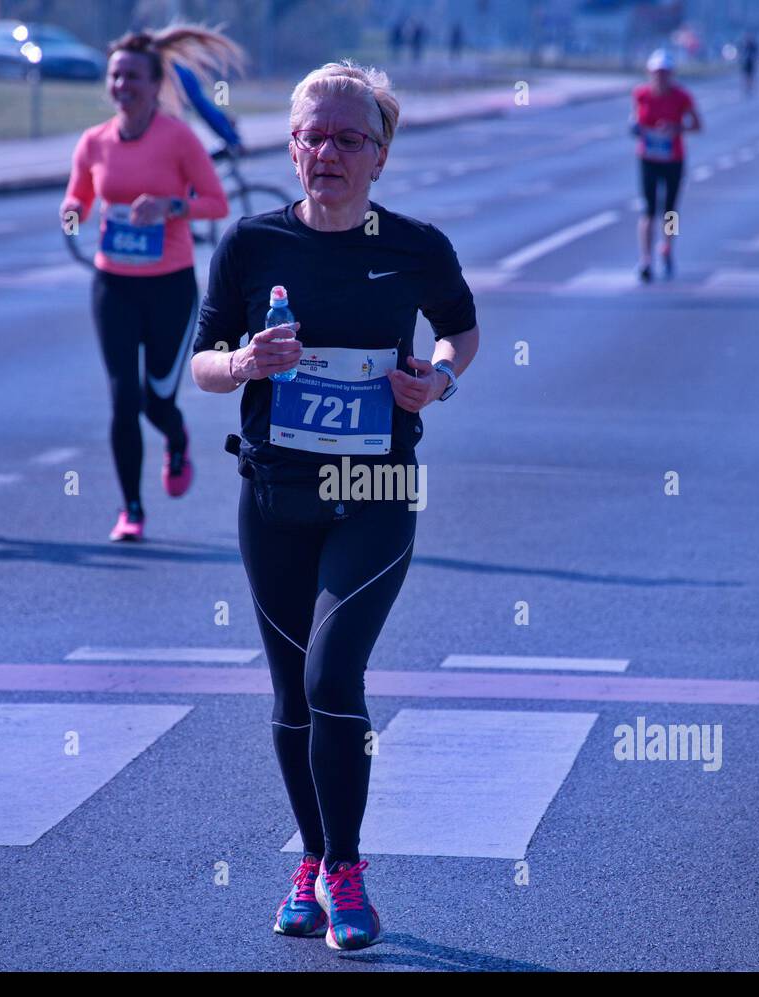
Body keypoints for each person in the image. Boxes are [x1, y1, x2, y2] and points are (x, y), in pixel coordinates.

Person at [189, 60, 479, 951]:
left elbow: (461, 334)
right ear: (291, 146)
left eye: (348, 138)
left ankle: (348, 875)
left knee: (330, 677)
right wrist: (243, 365)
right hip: (274, 492)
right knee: (289, 693)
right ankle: (311, 863)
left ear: (380, 156)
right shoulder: (251, 244)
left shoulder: (416, 247)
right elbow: (199, 364)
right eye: (313, 136)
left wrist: (437, 380)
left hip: (375, 492)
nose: (327, 152)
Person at [61, 26, 241, 542]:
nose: (123, 85)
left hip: (169, 286)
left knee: (155, 399)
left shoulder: (178, 139)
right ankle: (132, 509)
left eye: (133, 77)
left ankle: (177, 436)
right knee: (122, 399)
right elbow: (78, 200)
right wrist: (72, 213)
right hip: (113, 284)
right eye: (116, 76)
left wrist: (170, 207)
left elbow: (217, 203)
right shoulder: (93, 142)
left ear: (155, 83)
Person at [630, 48, 701, 282]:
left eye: (664, 73)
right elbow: (635, 121)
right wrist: (639, 129)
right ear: (650, 73)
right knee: (648, 209)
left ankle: (667, 248)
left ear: (671, 74)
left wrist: (676, 129)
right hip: (648, 157)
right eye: (656, 73)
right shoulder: (641, 94)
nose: (660, 77)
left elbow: (697, 125)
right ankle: (646, 259)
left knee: (670, 211)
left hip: (673, 158)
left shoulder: (682, 97)